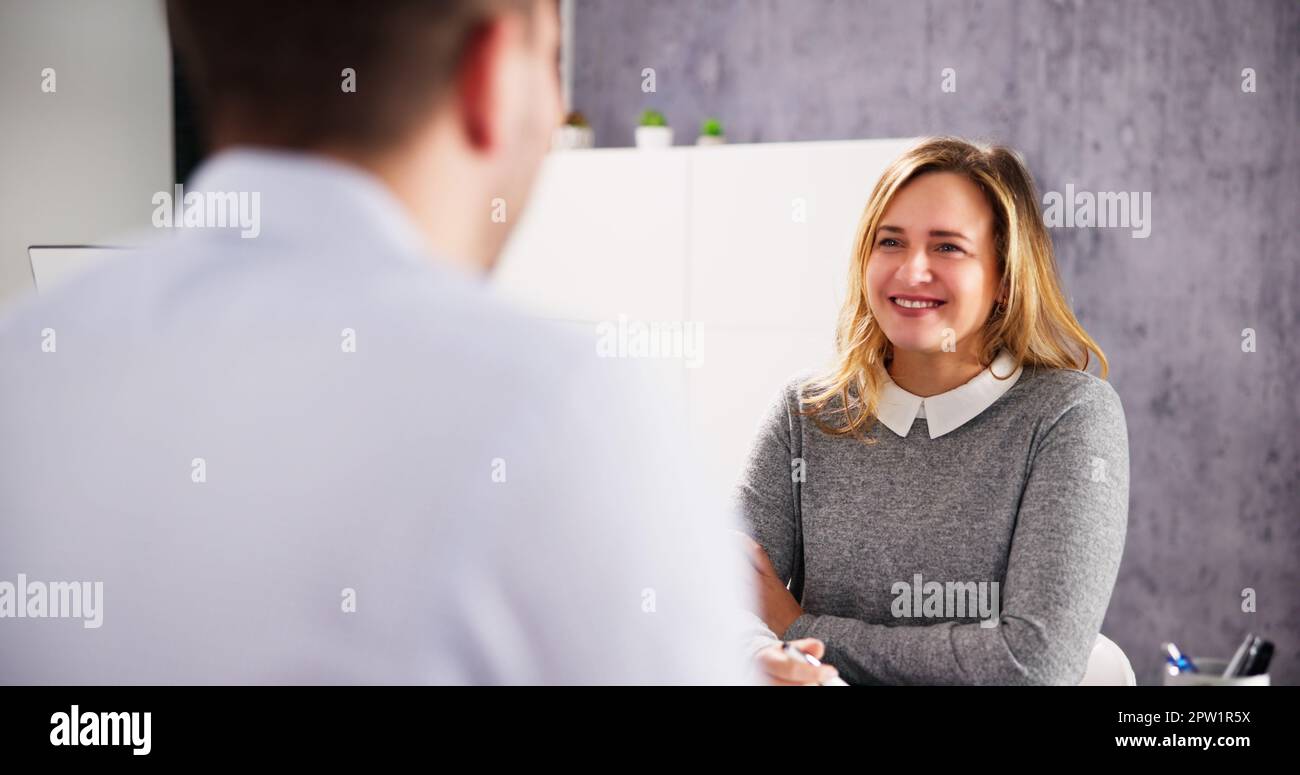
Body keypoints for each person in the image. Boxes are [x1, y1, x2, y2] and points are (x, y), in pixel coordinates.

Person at [0, 0, 753, 684]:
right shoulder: (571, 411)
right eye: (550, 61)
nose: (557, 108)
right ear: (491, 76)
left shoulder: (23, 362)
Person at [738, 137, 1130, 685]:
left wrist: (801, 629)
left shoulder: (1069, 415)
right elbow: (722, 598)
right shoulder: (804, 414)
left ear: (1005, 278)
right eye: (891, 241)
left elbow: (1031, 663)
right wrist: (761, 650)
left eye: (947, 247)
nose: (912, 270)